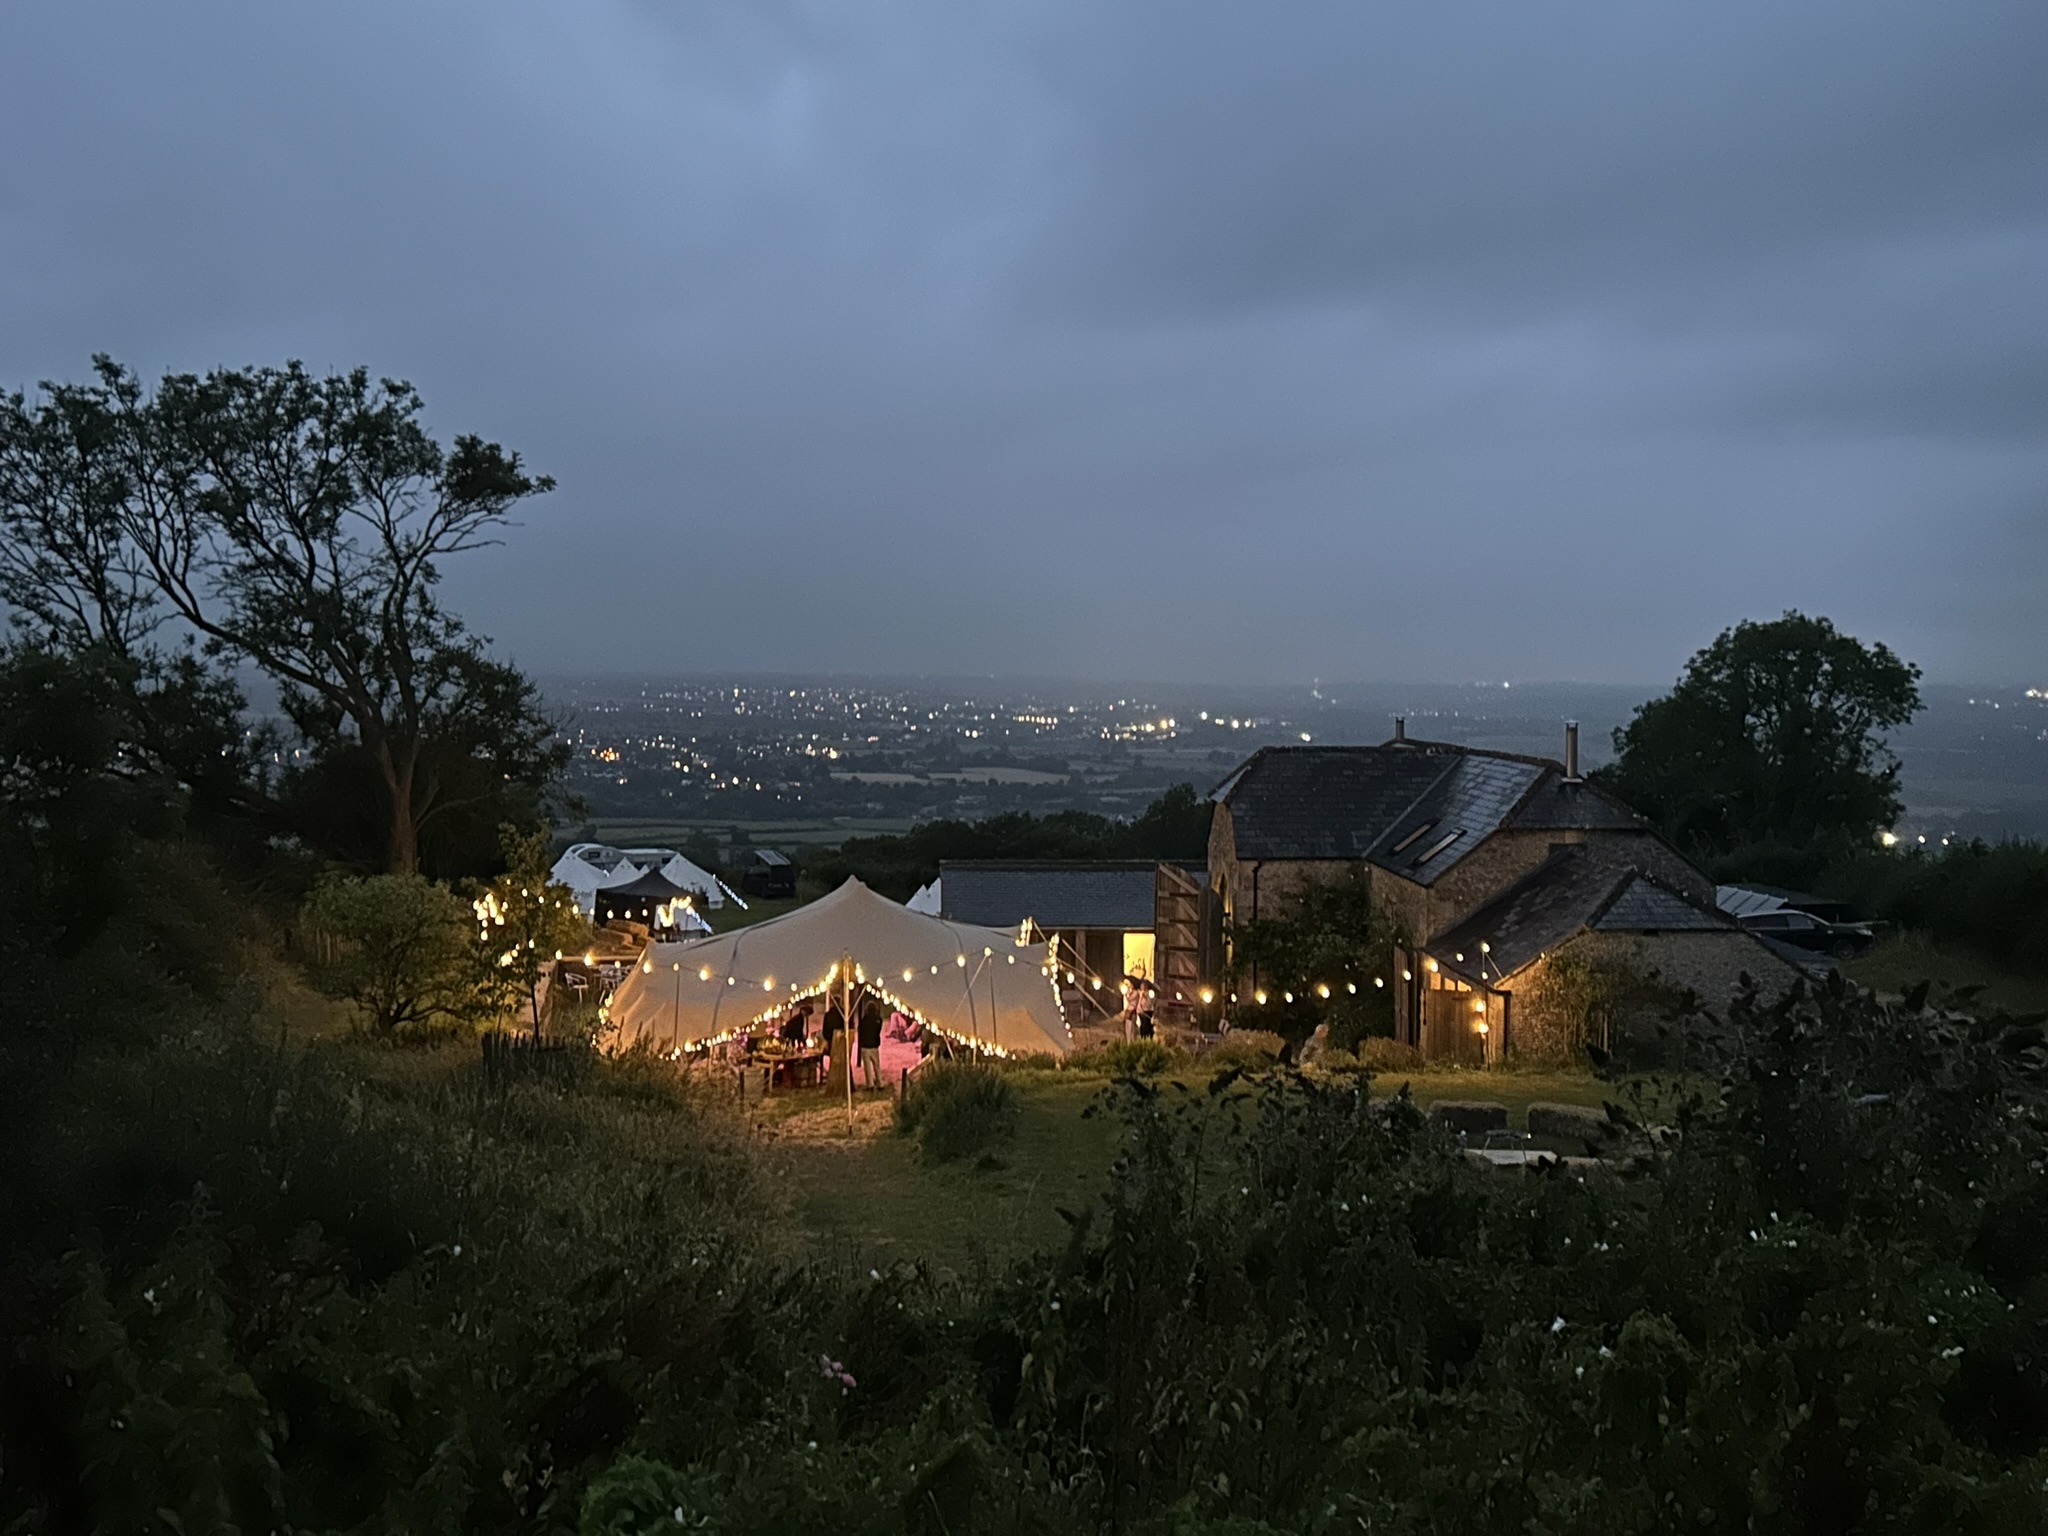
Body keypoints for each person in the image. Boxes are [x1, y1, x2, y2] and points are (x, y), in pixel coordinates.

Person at [856, 991, 885, 1090]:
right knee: (877, 1065)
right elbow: (878, 1030)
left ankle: (870, 1084)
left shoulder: (864, 1020)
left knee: (867, 1067)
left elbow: (860, 1030)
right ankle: (880, 1083)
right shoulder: (878, 1020)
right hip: (874, 1044)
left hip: (865, 1046)